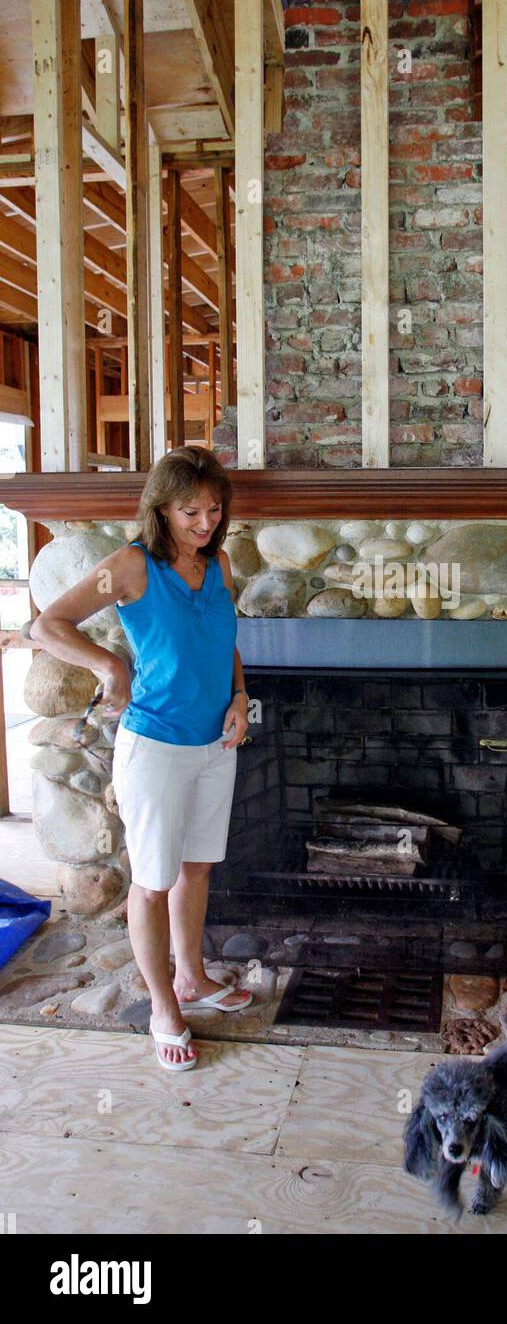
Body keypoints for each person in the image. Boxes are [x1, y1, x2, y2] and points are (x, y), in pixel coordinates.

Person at [30, 446, 252, 1072]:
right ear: (161, 508)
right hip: (155, 746)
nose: (204, 523)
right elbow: (48, 625)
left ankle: (193, 980)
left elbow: (225, 642)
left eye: (213, 510)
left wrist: (239, 695)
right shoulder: (131, 566)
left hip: (216, 744)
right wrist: (109, 663)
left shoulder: (220, 565)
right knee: (152, 884)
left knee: (197, 869)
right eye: (189, 512)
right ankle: (163, 1007)